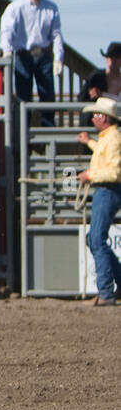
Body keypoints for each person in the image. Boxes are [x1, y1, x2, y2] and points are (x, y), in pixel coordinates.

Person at [0, 0, 64, 127]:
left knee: (47, 96)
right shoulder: (15, 8)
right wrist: (7, 52)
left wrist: (58, 58)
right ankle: (22, 133)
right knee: (23, 99)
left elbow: (56, 35)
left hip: (43, 55)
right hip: (23, 54)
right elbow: (7, 32)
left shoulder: (51, 8)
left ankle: (48, 132)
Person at [76, 97, 121, 306]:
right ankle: (115, 283)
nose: (93, 118)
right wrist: (90, 143)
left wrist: (90, 175)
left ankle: (105, 292)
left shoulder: (113, 139)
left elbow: (113, 172)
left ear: (105, 118)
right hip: (106, 191)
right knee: (95, 238)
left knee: (96, 239)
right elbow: (106, 157)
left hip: (107, 190)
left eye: (96, 115)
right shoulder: (108, 138)